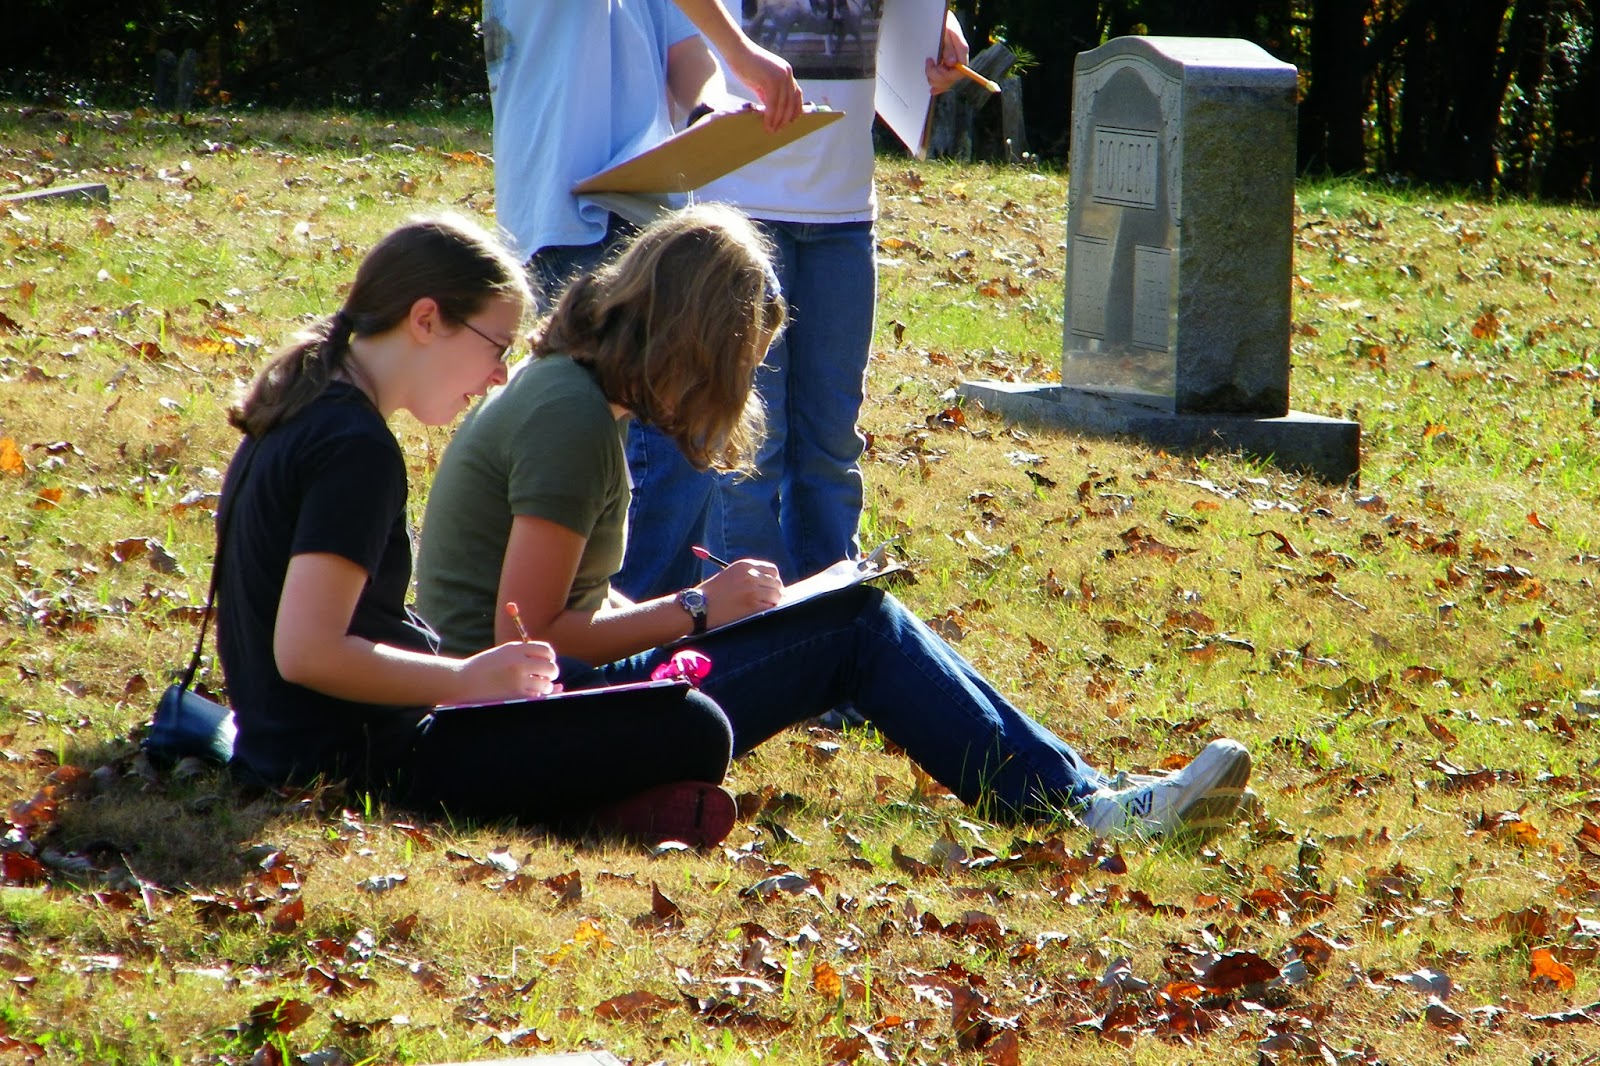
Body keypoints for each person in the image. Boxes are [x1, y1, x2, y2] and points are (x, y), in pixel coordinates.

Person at [414, 205, 1254, 839]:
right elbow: (527, 637)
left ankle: (1085, 793)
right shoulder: (570, 416)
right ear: (695, 343)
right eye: (737, 365)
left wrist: (708, 613)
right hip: (517, 722)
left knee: (850, 614)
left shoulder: (579, 394)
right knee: (857, 630)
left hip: (545, 701)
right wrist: (703, 609)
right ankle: (1079, 808)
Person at [214, 214, 738, 848]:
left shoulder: (308, 404)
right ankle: (589, 815)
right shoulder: (355, 449)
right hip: (358, 762)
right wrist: (464, 681)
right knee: (694, 725)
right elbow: (307, 653)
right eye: (495, 345)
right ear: (427, 320)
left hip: (306, 744)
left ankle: (601, 811)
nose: (497, 376)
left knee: (626, 704)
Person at [615, 4, 972, 600]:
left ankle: (833, 620)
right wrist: (739, 54)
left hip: (844, 211)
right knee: (755, 446)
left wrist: (937, 26)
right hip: (741, 204)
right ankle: (758, 626)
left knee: (832, 444)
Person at [481, 0, 801, 307]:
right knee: (593, 360)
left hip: (650, 210)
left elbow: (688, 52)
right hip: (568, 218)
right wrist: (740, 50)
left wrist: (708, 113)